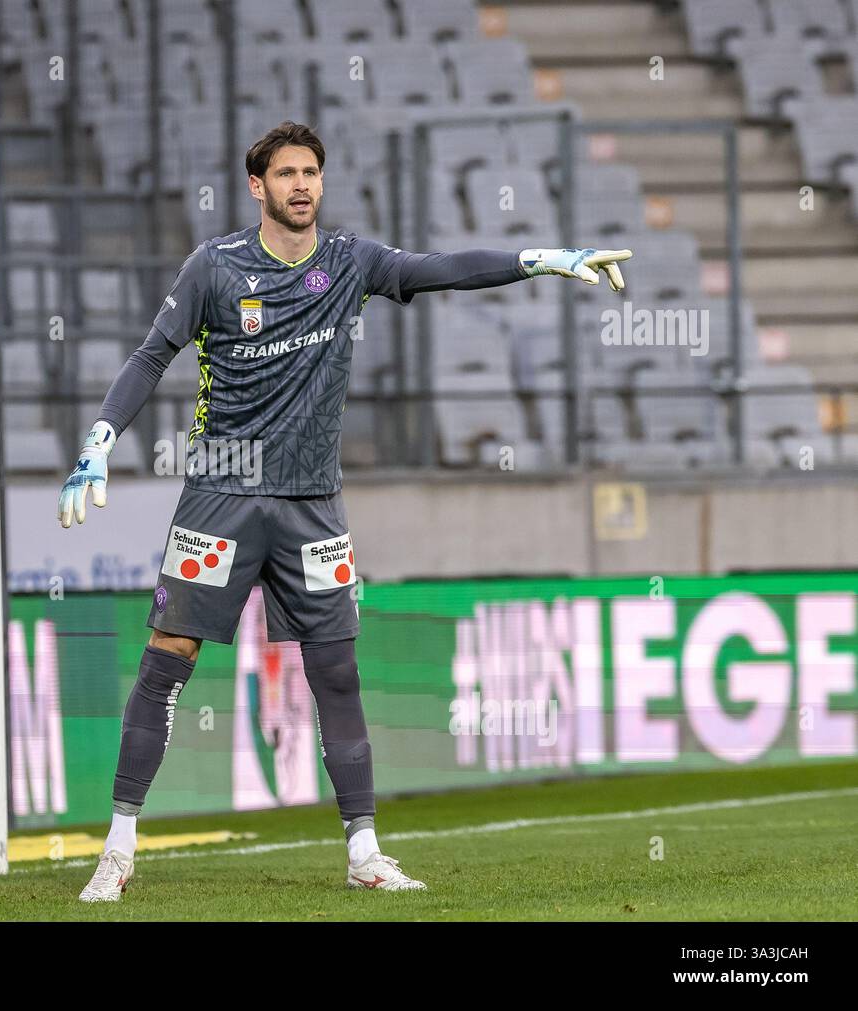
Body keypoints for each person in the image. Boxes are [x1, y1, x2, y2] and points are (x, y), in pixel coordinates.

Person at [57, 120, 631, 901]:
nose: (302, 185)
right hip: (221, 497)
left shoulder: (349, 261)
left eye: (312, 173)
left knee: (337, 671)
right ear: (256, 186)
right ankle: (117, 851)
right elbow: (151, 354)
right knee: (168, 660)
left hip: (313, 507)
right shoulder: (215, 268)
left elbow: (442, 270)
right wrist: (99, 439)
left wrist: (544, 260)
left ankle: (364, 851)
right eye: (286, 173)